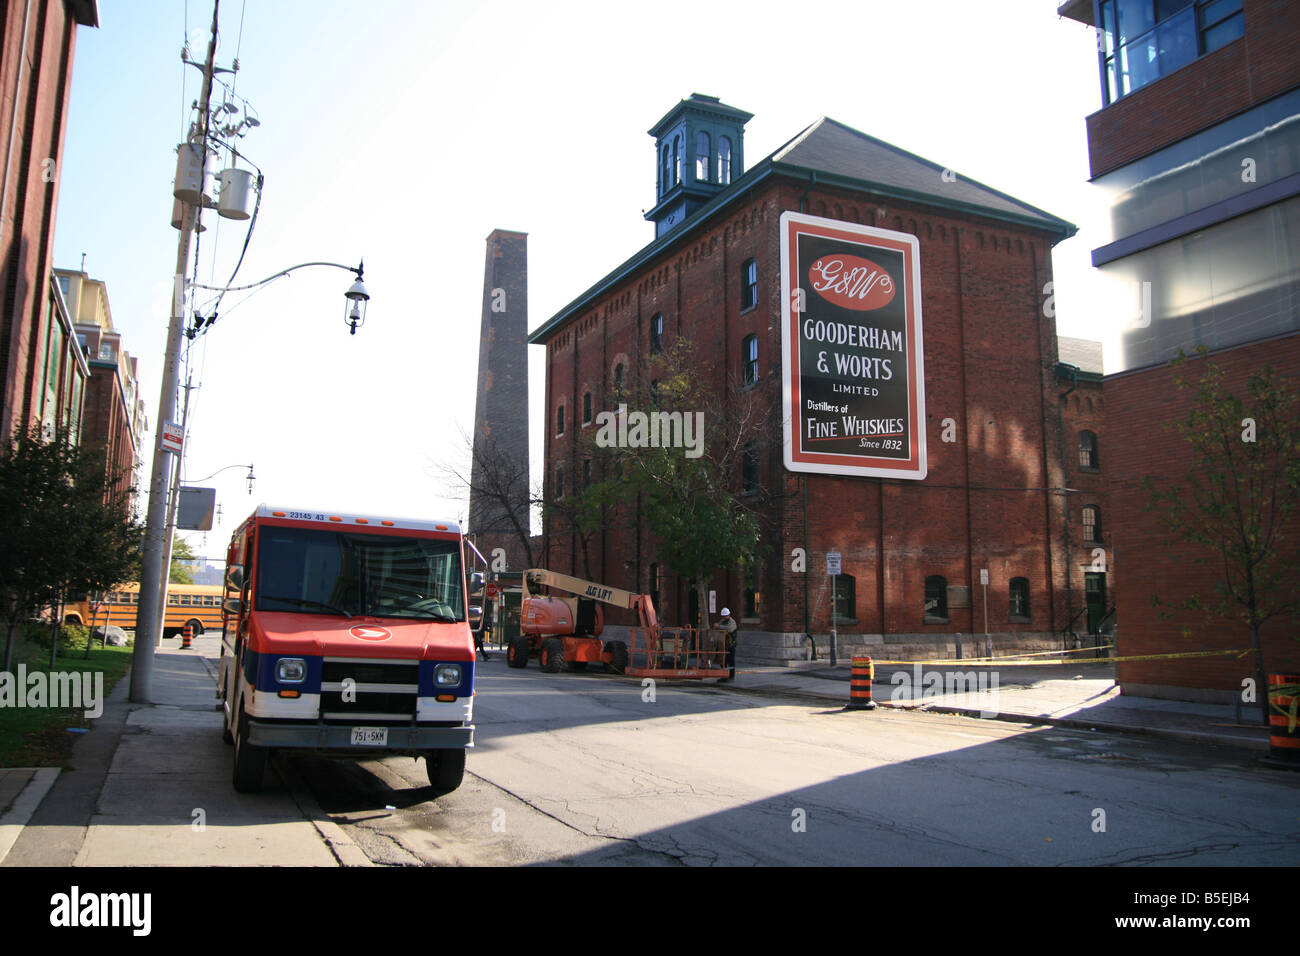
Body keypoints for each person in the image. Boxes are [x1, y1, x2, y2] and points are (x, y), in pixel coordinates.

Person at [715, 607, 738, 682]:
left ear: (729, 615)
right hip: (723, 644)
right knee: (723, 661)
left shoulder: (732, 622)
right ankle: (724, 676)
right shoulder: (722, 621)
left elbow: (730, 629)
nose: (724, 617)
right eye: (723, 616)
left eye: (725, 616)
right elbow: (717, 626)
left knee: (731, 661)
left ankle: (731, 677)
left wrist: (719, 627)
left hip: (731, 645)